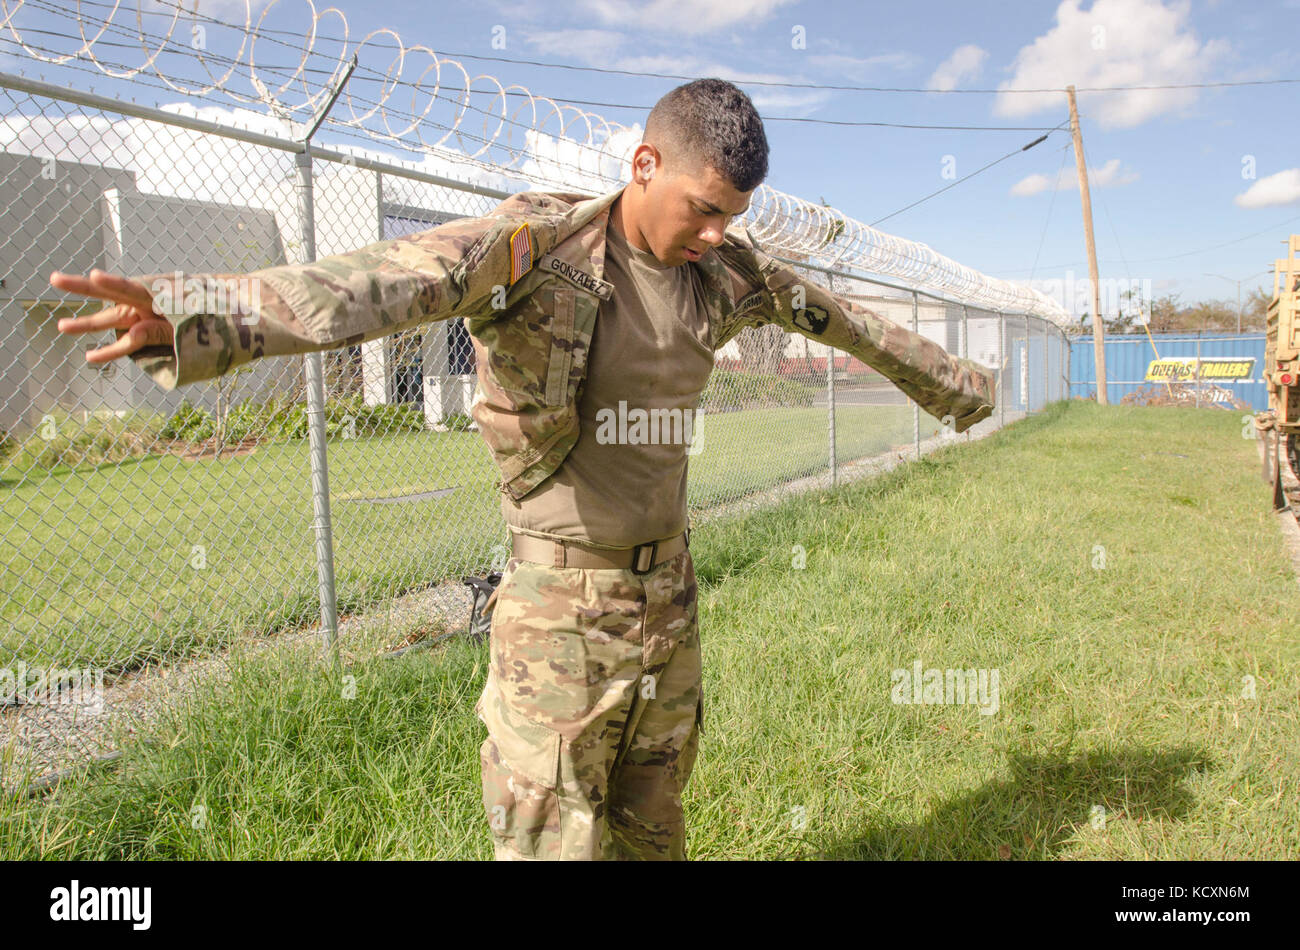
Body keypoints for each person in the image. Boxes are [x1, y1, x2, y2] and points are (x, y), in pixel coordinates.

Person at [50, 78, 995, 860]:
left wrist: (959, 387)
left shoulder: (727, 276)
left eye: (730, 216)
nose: (715, 232)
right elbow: (385, 282)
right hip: (559, 611)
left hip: (670, 596)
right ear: (644, 165)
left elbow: (849, 322)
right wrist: (199, 313)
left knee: (653, 831)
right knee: (553, 841)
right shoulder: (537, 251)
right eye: (703, 209)